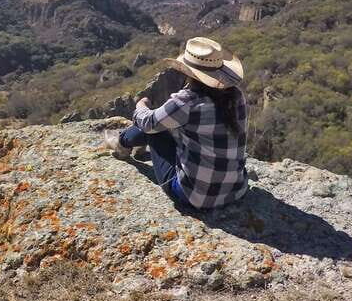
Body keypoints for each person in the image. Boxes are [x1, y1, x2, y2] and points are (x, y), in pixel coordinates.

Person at [104, 37, 248, 209]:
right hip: (237, 189)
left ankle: (122, 144)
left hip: (193, 196)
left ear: (188, 71)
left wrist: (140, 106)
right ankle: (130, 144)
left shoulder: (187, 101)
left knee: (153, 127)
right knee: (165, 123)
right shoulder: (236, 96)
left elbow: (148, 123)